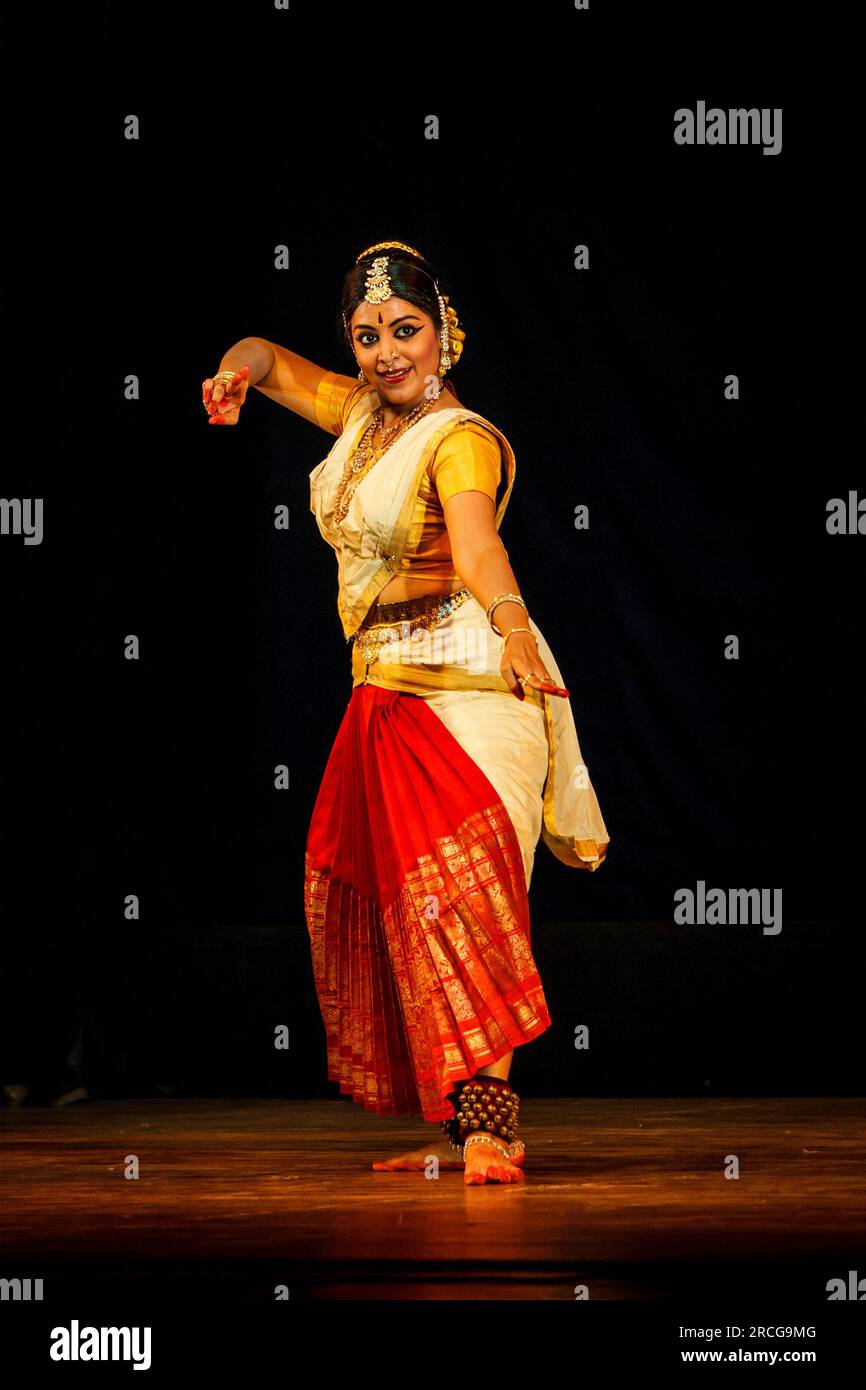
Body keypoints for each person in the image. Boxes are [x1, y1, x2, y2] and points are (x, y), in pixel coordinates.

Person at [202, 240, 610, 1185]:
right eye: (367, 335)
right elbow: (264, 352)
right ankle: (456, 1120)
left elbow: (475, 545)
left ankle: (493, 1131)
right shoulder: (358, 414)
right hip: (382, 688)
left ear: (444, 333)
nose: (388, 352)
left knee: (469, 903)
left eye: (406, 331)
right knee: (405, 913)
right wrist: (235, 371)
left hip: (475, 681)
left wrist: (512, 623)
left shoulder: (457, 435)